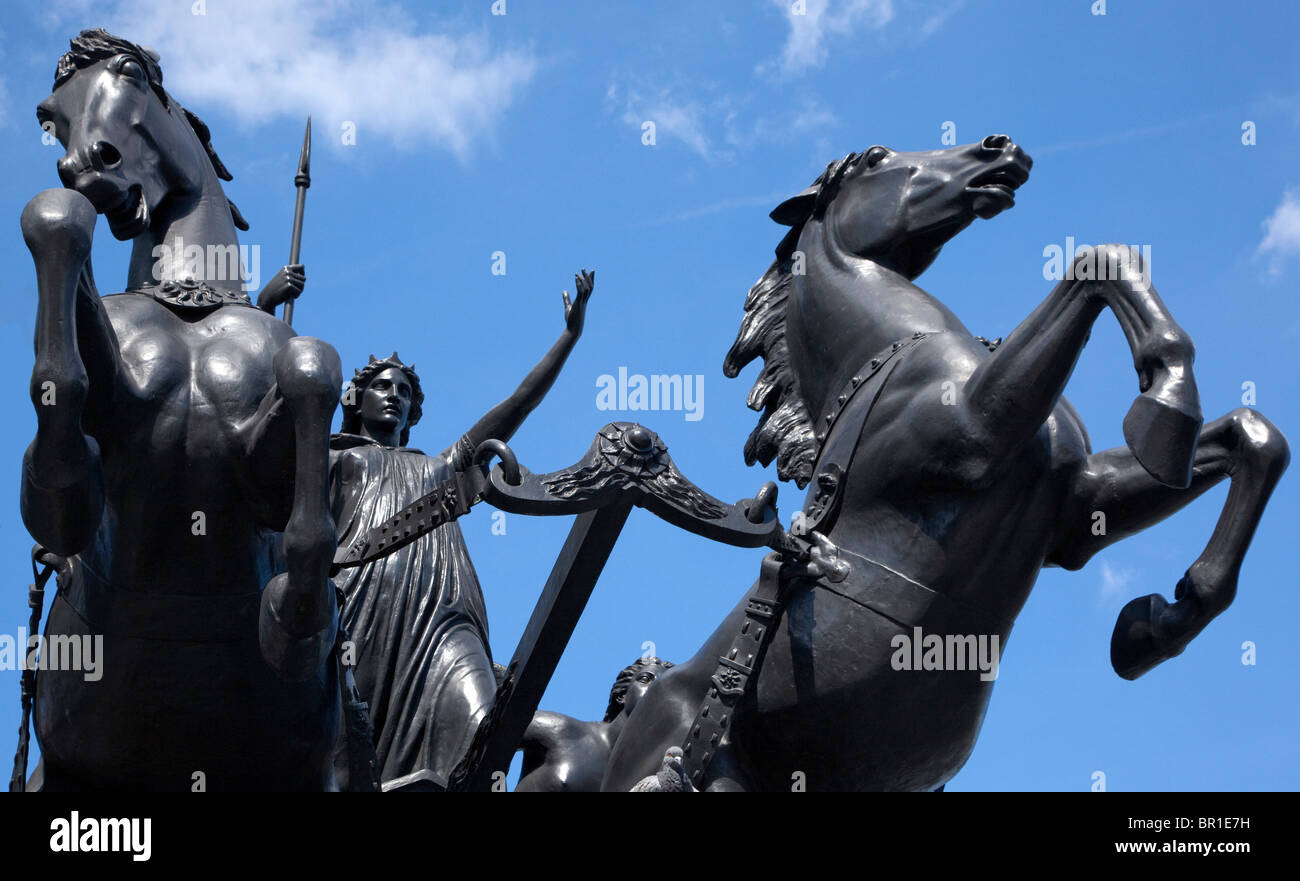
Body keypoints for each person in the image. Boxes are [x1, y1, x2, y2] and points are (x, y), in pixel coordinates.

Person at [329, 270, 595, 789]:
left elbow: (517, 404)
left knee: (482, 724)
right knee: (349, 746)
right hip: (360, 611)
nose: (394, 396)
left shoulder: (443, 466)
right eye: (381, 386)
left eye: (404, 391)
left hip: (442, 615)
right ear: (353, 399)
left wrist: (568, 338)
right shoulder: (332, 461)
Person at [516, 656, 673, 792]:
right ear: (622, 695)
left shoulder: (649, 779)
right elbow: (495, 726)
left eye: (663, 688)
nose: (655, 690)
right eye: (646, 679)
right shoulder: (559, 730)